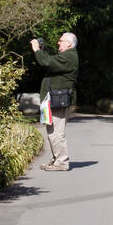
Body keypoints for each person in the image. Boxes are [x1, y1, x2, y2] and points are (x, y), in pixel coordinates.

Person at [32, 32, 79, 171]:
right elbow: (51, 61)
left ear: (69, 44)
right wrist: (41, 50)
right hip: (52, 99)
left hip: (59, 100)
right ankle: (56, 159)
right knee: (51, 131)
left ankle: (62, 162)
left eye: (61, 40)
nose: (58, 43)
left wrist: (37, 50)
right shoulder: (65, 56)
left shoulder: (70, 56)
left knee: (57, 132)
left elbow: (47, 62)